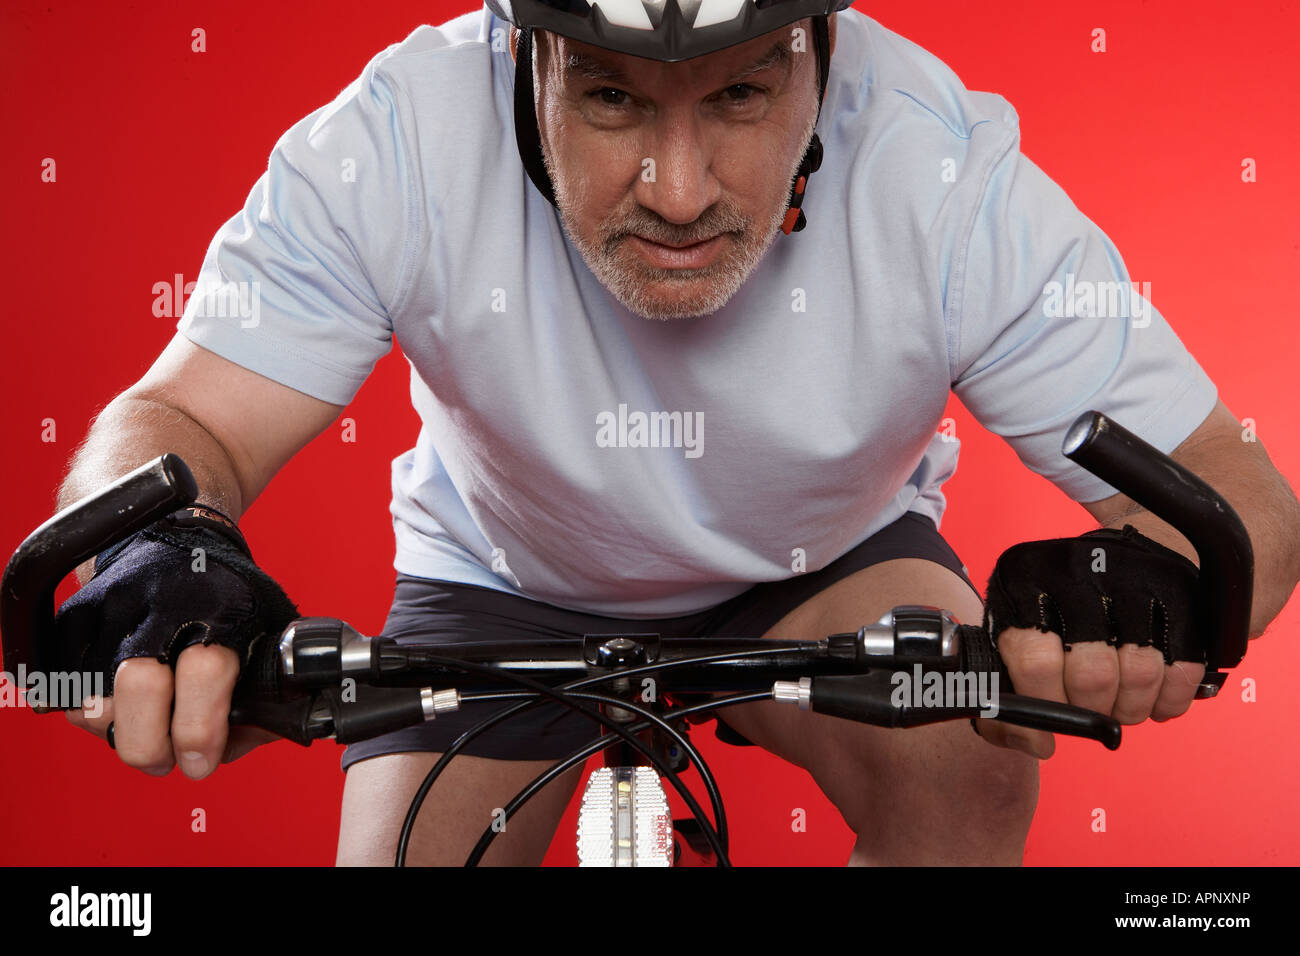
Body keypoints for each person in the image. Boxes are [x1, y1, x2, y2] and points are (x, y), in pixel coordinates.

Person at [51, 0, 1300, 866]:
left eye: (745, 92)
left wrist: (1142, 580)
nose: (682, 190)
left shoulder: (942, 173)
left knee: (970, 768)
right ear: (520, 59)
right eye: (609, 100)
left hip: (821, 567)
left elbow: (1240, 498)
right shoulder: (394, 141)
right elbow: (177, 422)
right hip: (502, 582)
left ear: (822, 57)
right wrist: (159, 553)